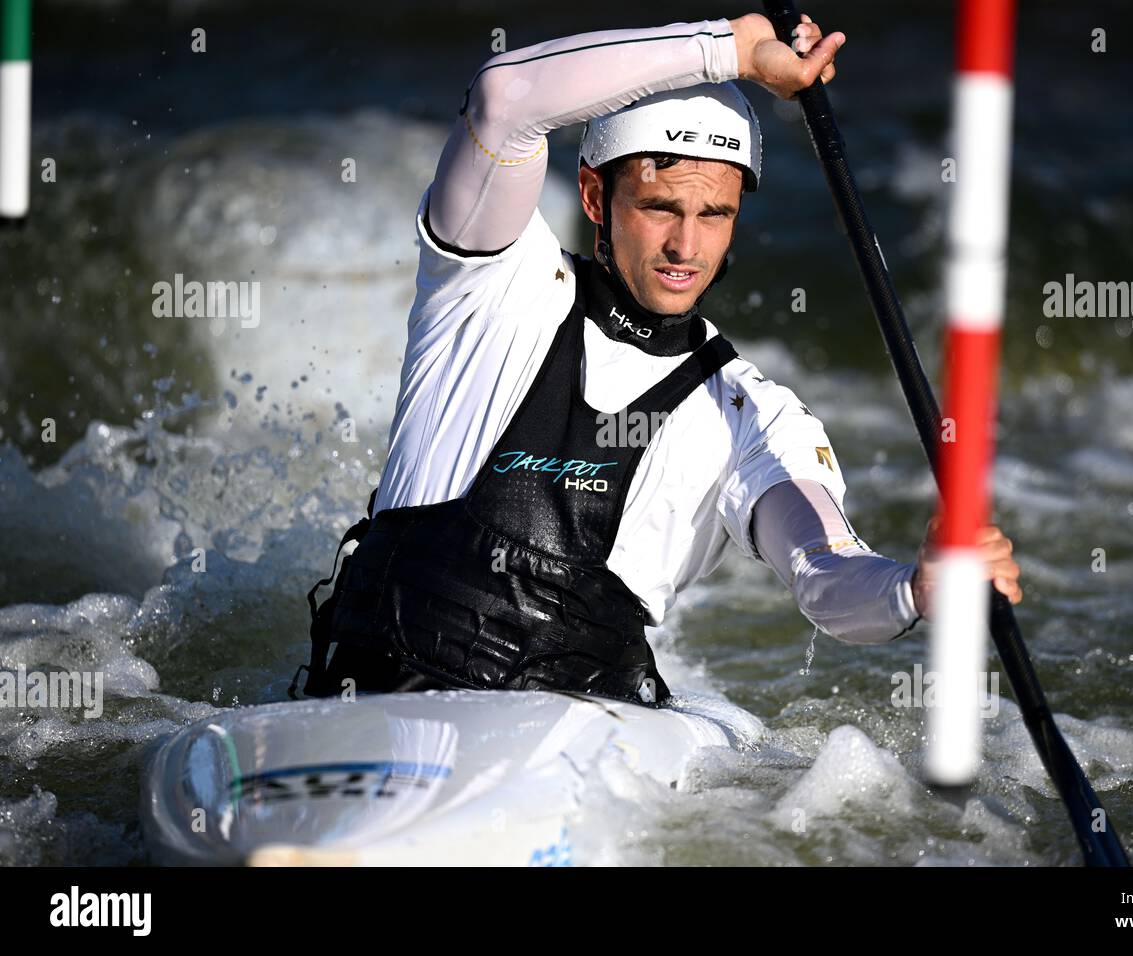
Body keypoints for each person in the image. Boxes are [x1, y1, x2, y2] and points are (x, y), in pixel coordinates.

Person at [295, 12, 1021, 707]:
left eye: (715, 215)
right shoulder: (491, 283)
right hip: (368, 693)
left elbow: (824, 574)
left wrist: (915, 591)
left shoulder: (751, 414)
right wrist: (727, 49)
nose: (687, 247)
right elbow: (506, 97)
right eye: (660, 207)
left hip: (566, 739)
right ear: (594, 195)